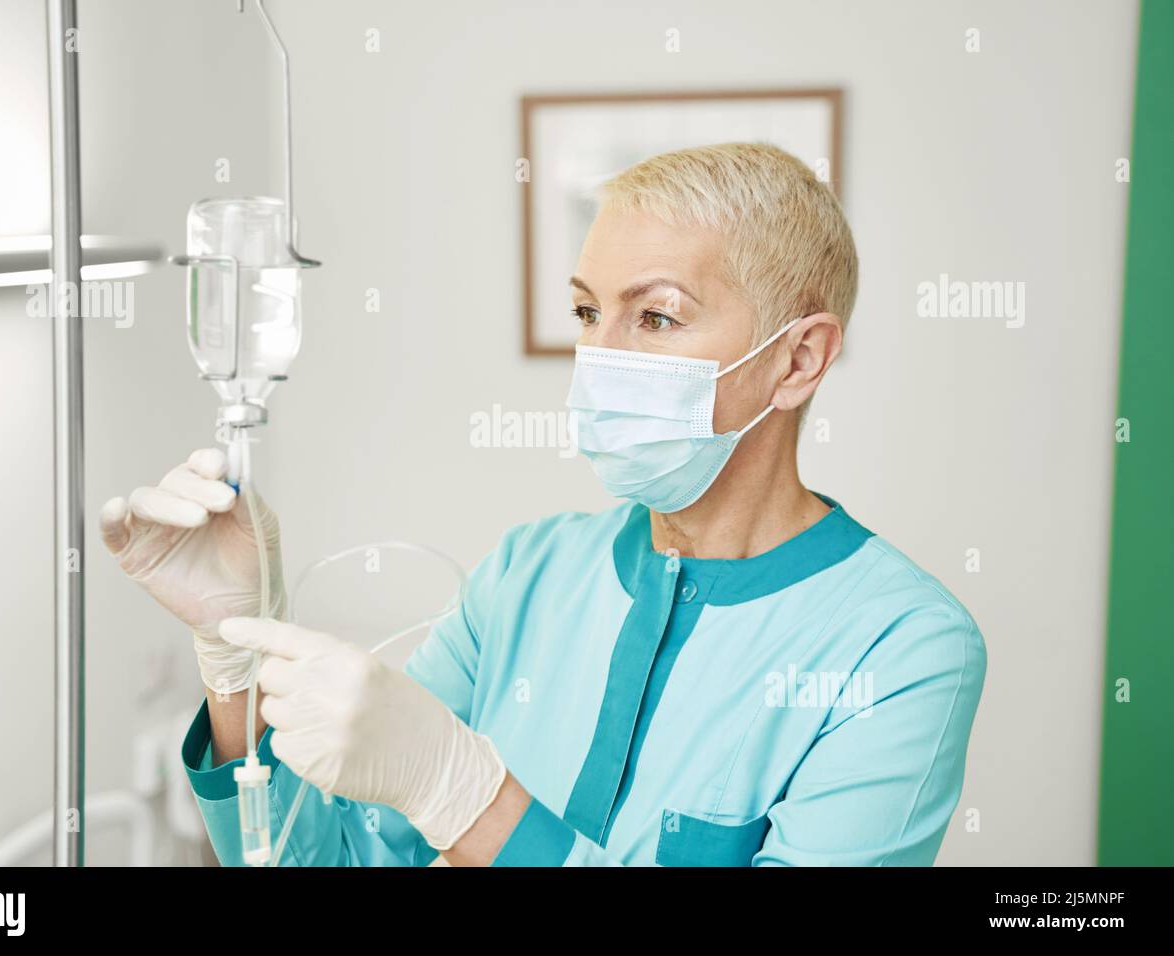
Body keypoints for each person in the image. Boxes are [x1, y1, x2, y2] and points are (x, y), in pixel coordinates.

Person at [101, 143, 986, 866]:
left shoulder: (903, 648)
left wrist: (464, 792)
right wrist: (235, 658)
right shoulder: (529, 572)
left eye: (658, 318)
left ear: (798, 361)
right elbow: (332, 862)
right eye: (587, 313)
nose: (599, 357)